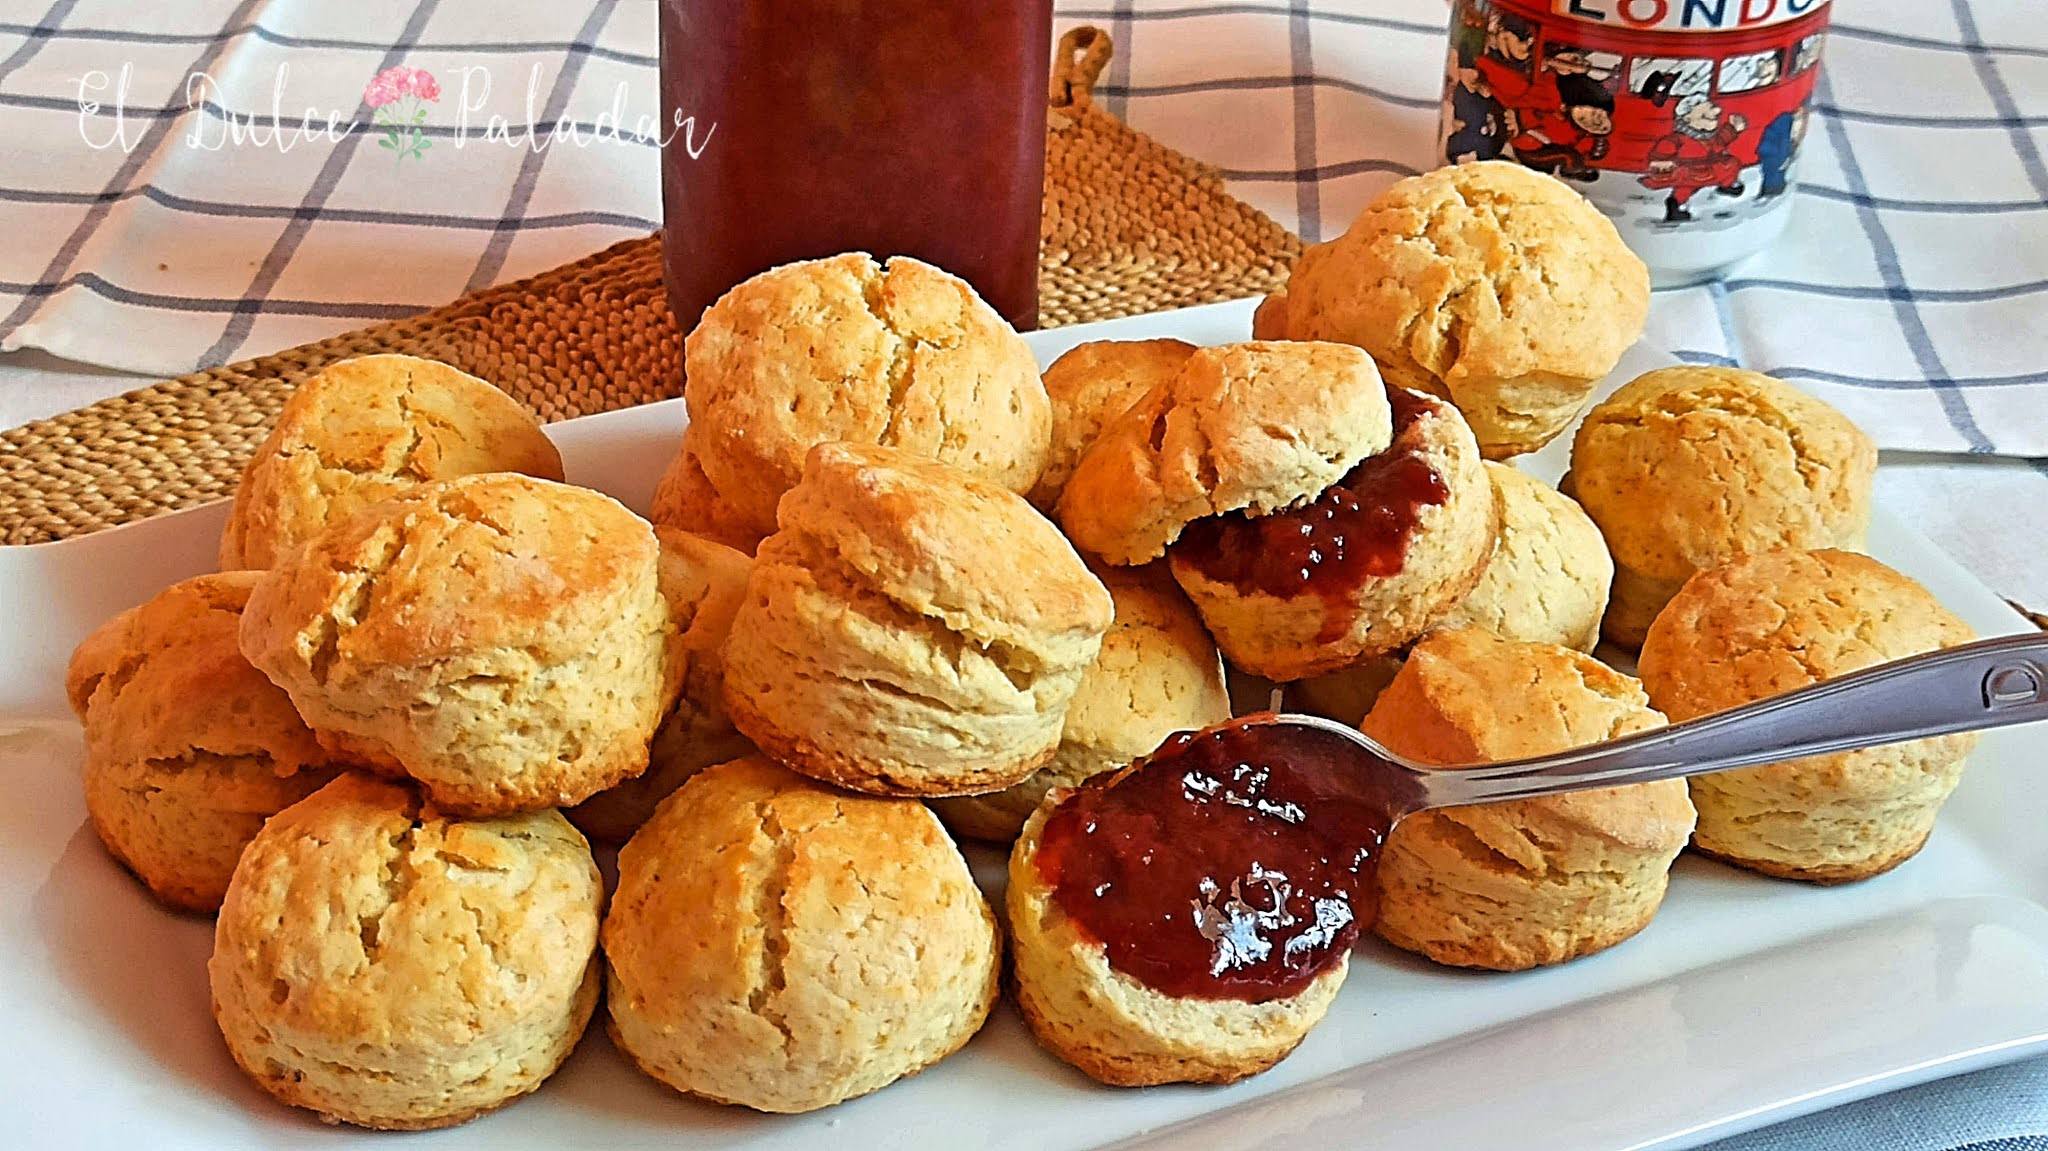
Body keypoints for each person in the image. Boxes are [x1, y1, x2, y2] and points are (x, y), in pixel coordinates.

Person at [1641, 94, 1750, 223]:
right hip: (1688, 173)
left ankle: (1728, 185)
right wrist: (1662, 164)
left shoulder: (1709, 137)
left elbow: (1720, 142)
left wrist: (1731, 129)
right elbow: (1662, 152)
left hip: (1710, 168)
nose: (1713, 121)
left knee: (1731, 163)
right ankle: (1676, 205)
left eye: (1713, 118)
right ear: (1687, 119)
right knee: (1685, 189)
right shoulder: (1678, 139)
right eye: (1704, 117)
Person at [1510, 72, 1614, 182]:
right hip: (1529, 144)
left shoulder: (1574, 133)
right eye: (1594, 114)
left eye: (1602, 128)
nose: (1594, 122)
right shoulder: (1554, 102)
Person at [1444, 48, 1509, 163]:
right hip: (1470, 143)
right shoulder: (1458, 93)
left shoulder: (1485, 94)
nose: (1472, 74)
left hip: (1482, 144)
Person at [1755, 106, 1808, 198]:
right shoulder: (1784, 121)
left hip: (1777, 153)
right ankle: (1771, 188)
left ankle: (1772, 188)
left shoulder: (1786, 121)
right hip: (1775, 153)